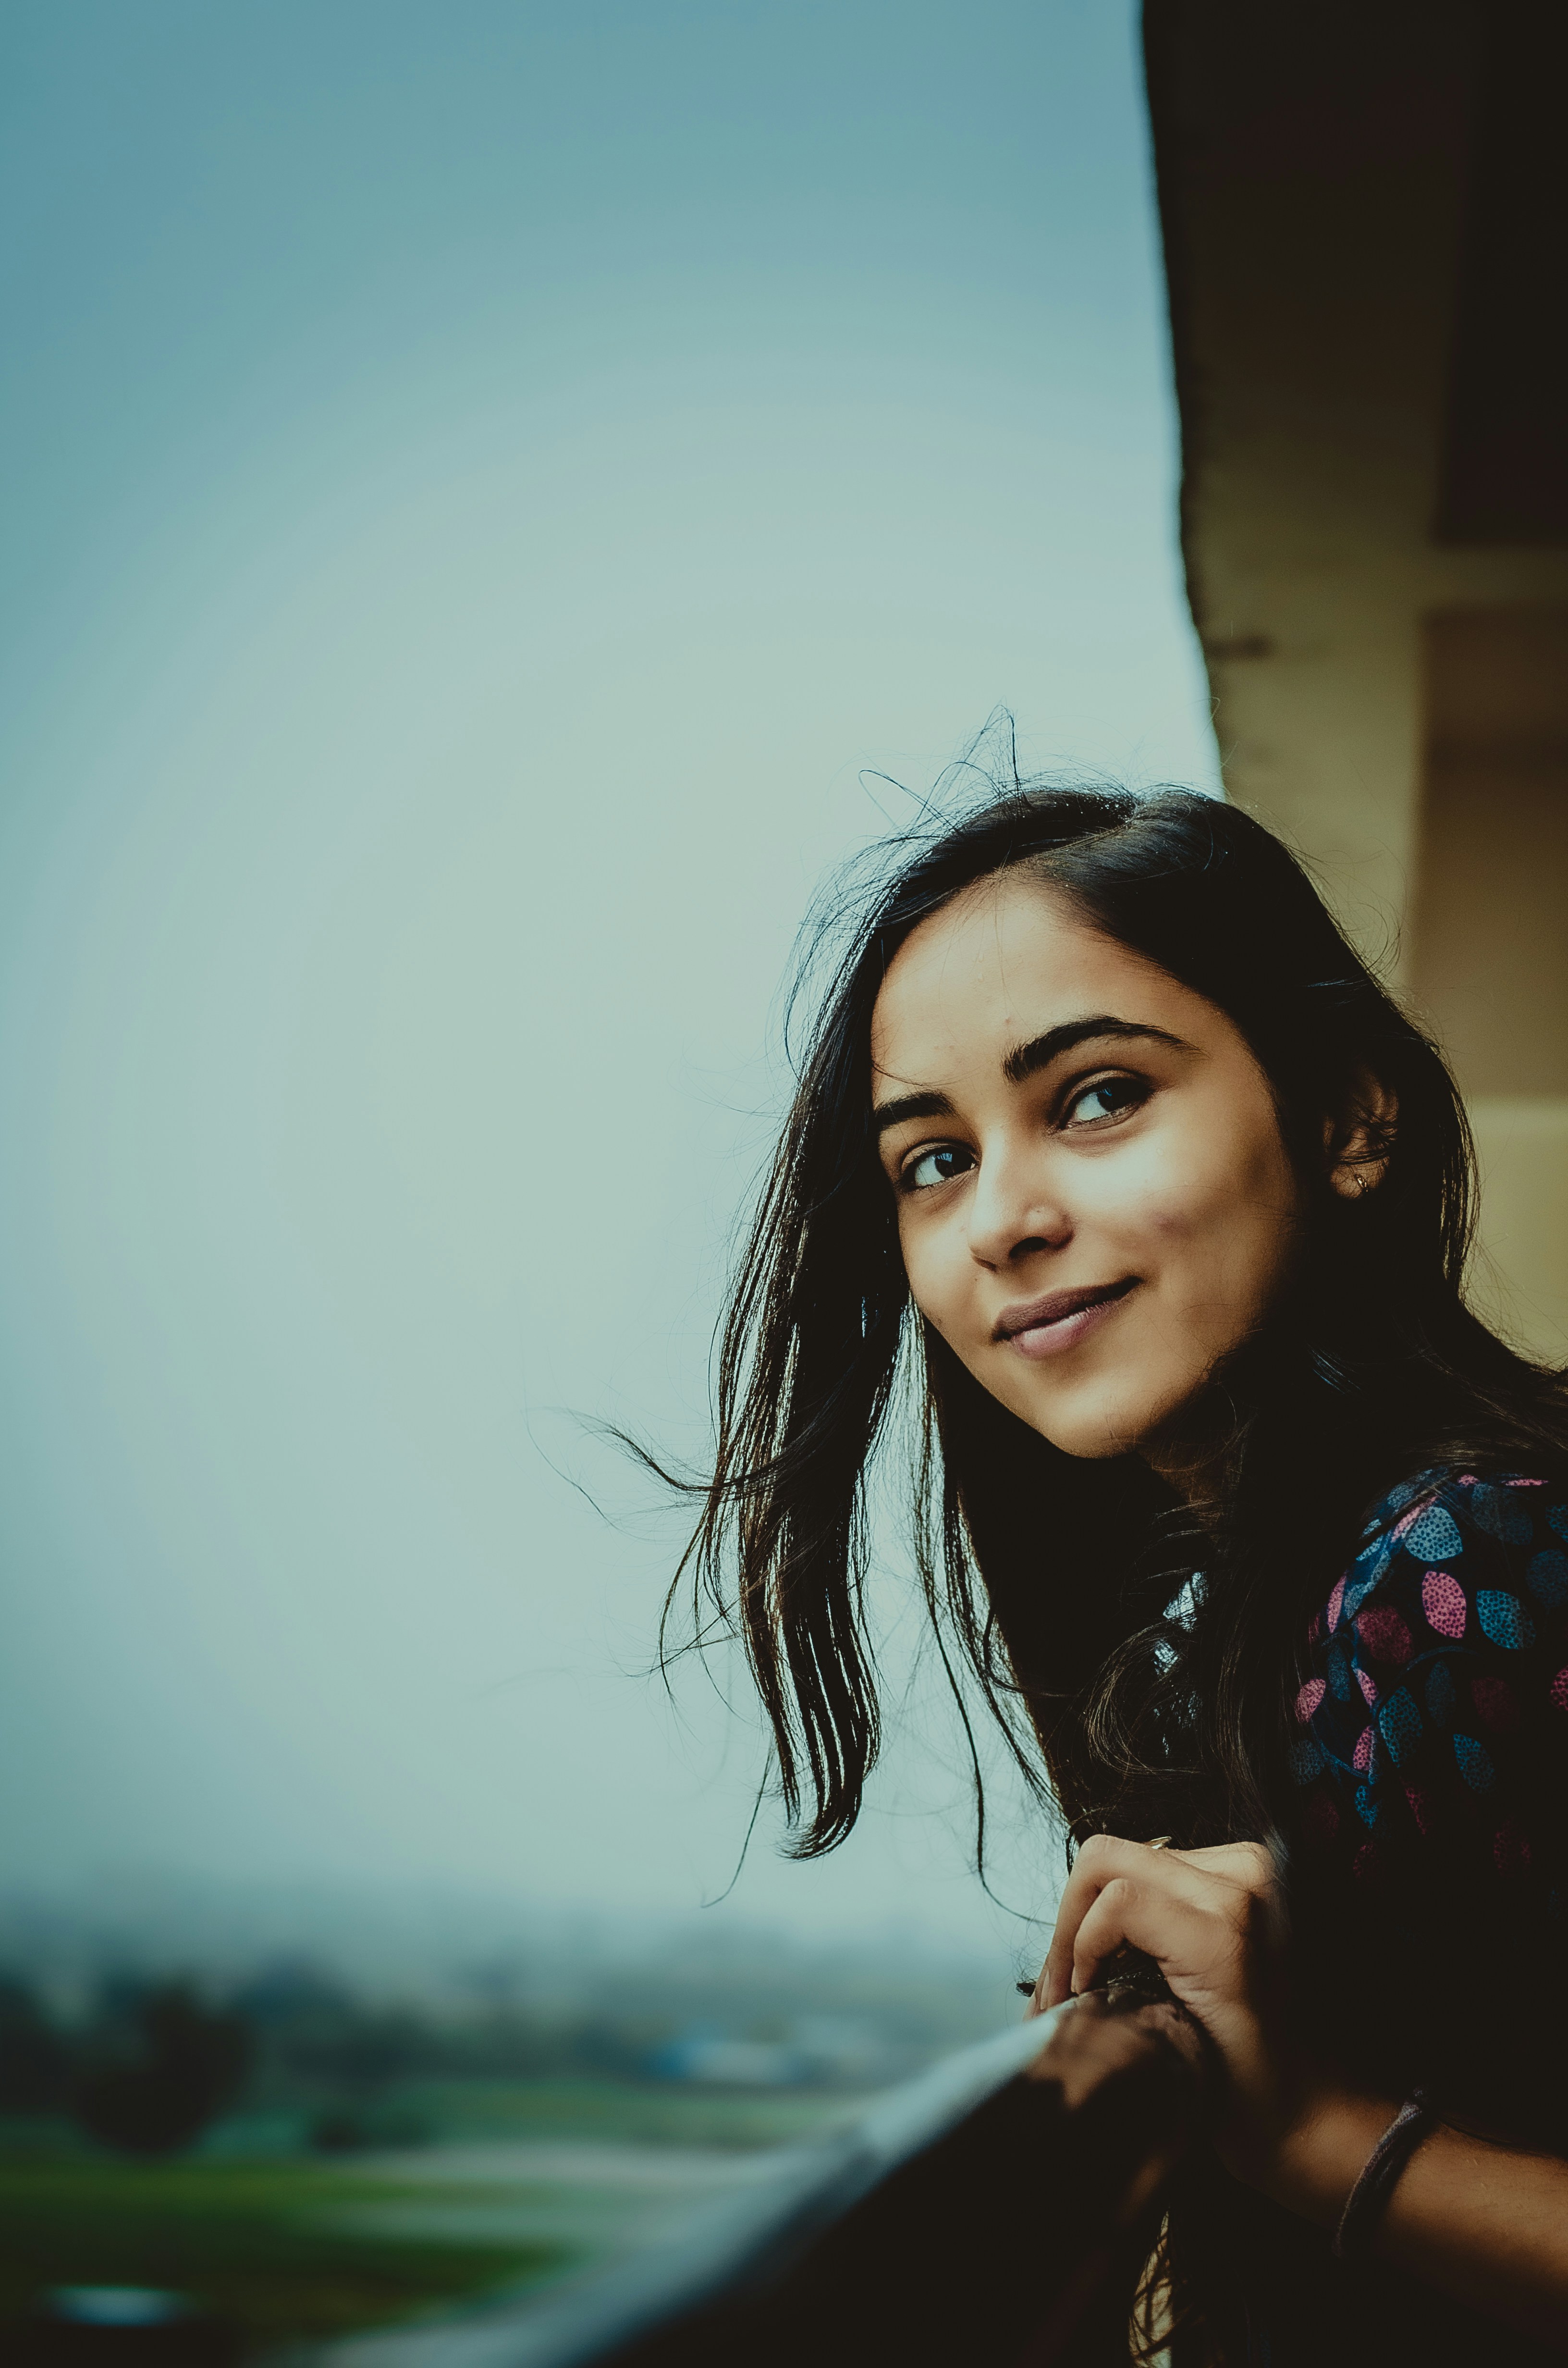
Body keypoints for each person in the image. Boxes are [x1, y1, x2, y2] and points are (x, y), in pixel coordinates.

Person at [666, 771, 1568, 2362]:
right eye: (931, 1160)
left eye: (1095, 1098)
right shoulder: (1252, 1607)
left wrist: (1321, 2137)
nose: (1000, 1221)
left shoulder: (1464, 1569)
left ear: (1347, 1116)